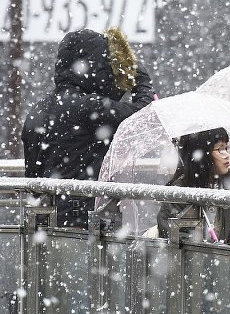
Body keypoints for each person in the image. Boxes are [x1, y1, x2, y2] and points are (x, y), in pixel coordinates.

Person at [22, 28, 154, 227]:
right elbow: (144, 115)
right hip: (84, 222)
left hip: (42, 221)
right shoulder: (89, 107)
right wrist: (140, 80)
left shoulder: (39, 109)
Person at [157, 128, 230, 244]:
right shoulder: (179, 193)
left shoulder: (225, 189)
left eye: (227, 148)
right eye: (220, 149)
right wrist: (205, 249)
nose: (227, 155)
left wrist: (228, 248)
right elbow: (171, 236)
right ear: (203, 154)